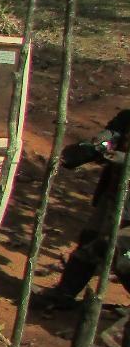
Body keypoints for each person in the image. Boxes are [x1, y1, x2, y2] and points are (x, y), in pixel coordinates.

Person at [36, 109, 130, 310]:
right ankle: (64, 294)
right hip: (115, 194)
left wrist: (124, 159)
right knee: (90, 240)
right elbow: (112, 133)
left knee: (120, 251)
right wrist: (94, 147)